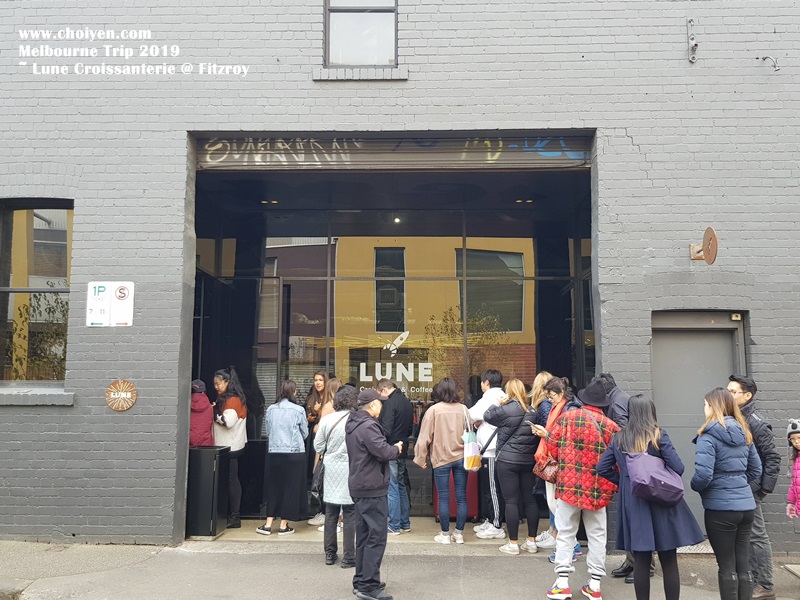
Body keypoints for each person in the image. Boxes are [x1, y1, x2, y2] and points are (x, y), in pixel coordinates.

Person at [596, 394, 704, 600]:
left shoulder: (619, 438)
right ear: (650, 412)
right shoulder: (658, 435)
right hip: (662, 501)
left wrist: (625, 483)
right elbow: (679, 468)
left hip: (635, 503)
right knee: (668, 559)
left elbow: (602, 467)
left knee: (642, 560)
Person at [532, 378, 619, 600]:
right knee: (597, 536)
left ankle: (562, 583)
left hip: (569, 487)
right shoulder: (611, 427)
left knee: (565, 533)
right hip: (597, 490)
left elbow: (552, 446)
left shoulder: (567, 418)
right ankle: (595, 585)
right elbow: (617, 462)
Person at [691, 387, 762, 600]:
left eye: (705, 404)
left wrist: (696, 486)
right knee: (743, 563)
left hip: (719, 510)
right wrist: (739, 488)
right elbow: (756, 470)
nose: (704, 408)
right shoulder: (744, 431)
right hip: (746, 508)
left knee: (726, 565)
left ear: (713, 407)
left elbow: (703, 475)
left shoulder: (708, 435)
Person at [727, 375, 782, 600]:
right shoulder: (734, 417)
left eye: (733, 392)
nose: (728, 395)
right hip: (740, 489)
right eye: (727, 390)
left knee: (757, 536)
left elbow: (773, 458)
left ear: (747, 396)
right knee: (745, 536)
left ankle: (765, 585)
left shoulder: (756, 423)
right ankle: (751, 579)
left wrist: (763, 490)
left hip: (751, 490)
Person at [596, 372, 653, 584]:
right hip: (629, 470)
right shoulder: (620, 398)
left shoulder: (617, 402)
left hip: (631, 469)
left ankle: (644, 566)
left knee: (637, 522)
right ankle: (632, 562)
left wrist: (616, 453)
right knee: (631, 521)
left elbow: (622, 430)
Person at [346, 388, 402, 600]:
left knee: (364, 535)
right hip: (372, 487)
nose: (382, 405)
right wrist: (396, 448)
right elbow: (383, 452)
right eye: (380, 402)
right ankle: (369, 586)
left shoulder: (353, 424)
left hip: (360, 485)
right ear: (372, 405)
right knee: (376, 536)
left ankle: (362, 579)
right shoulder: (368, 426)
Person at [413, 377, 473, 545]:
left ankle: (445, 534)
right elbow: (470, 431)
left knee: (444, 497)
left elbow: (425, 436)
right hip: (462, 457)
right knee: (461, 497)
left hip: (441, 458)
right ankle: (459, 533)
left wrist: (420, 457)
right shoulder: (463, 409)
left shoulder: (434, 410)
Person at [484, 377, 539, 555]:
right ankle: (531, 541)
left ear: (509, 392)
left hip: (507, 461)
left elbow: (488, 416)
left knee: (511, 501)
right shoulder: (532, 411)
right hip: (528, 461)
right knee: (530, 500)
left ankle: (513, 543)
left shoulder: (505, 410)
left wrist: (498, 403)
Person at [531, 376, 582, 563]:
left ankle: (570, 549)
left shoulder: (570, 410)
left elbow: (569, 439)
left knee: (560, 508)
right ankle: (571, 547)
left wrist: (547, 434)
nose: (549, 399)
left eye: (551, 396)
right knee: (555, 506)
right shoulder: (561, 407)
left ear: (561, 393)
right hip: (553, 460)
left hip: (561, 463)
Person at [314, 385, 358, 567]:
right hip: (352, 469)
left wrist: (329, 451)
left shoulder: (327, 420)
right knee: (350, 513)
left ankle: (330, 554)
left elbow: (318, 446)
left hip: (331, 469)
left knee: (331, 514)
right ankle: (349, 557)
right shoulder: (357, 420)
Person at [258, 380, 309, 536]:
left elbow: (268, 429)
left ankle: (267, 525)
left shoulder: (271, 409)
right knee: (291, 487)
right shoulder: (299, 410)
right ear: (293, 392)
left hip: (274, 452)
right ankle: (283, 525)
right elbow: (305, 433)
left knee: (273, 487)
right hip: (295, 453)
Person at [468, 368, 506, 540]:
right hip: (493, 450)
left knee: (492, 489)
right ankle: (490, 520)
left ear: (486, 383)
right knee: (490, 488)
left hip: (491, 452)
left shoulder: (490, 397)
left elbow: (471, 413)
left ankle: (496, 524)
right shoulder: (502, 395)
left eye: (482, 383)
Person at [377, 378, 414, 535]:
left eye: (380, 393)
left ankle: (394, 525)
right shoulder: (406, 402)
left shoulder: (389, 404)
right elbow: (411, 428)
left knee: (391, 487)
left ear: (384, 390)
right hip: (403, 448)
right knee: (400, 485)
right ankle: (405, 523)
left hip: (391, 448)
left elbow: (386, 429)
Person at [212, 367, 248, 528]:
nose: (216, 387)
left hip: (230, 446)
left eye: (219, 383)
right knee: (231, 480)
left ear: (228, 382)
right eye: (215, 384)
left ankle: (234, 516)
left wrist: (212, 411)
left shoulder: (232, 400)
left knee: (232, 481)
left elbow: (228, 421)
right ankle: (233, 515)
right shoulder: (231, 398)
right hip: (231, 445)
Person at [529, 371, 555, 548]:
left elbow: (549, 430)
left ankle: (555, 532)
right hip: (548, 453)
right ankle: (553, 530)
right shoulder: (547, 405)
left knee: (551, 496)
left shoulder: (544, 405)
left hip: (548, 456)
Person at [306, 371, 329, 527]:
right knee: (315, 473)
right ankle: (317, 509)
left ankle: (323, 511)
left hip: (325, 439)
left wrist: (320, 411)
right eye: (315, 380)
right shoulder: (312, 397)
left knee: (322, 473)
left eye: (320, 380)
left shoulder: (329, 400)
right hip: (313, 438)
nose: (318, 382)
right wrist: (309, 418)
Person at [190, 379, 214, 447]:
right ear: (204, 392)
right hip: (206, 443)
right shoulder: (210, 407)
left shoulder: (186, 406)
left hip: (189, 442)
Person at [787, 419, 800, 520]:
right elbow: (794, 482)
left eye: (799, 438)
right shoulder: (796, 458)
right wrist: (791, 502)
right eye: (792, 439)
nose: (796, 441)